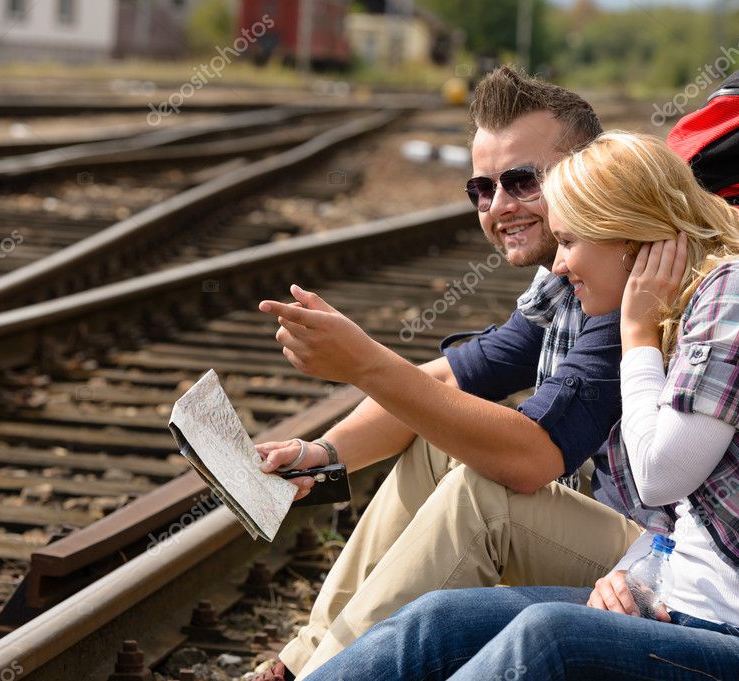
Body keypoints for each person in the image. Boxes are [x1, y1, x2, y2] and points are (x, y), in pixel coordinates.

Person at [301, 132, 739, 681]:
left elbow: (661, 475)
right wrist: (641, 570)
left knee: (545, 639)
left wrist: (636, 336)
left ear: (626, 236)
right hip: (676, 598)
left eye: (569, 241)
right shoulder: (675, 306)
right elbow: (681, 516)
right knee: (438, 620)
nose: (558, 264)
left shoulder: (737, 291)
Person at [250, 67, 642, 681]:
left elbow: (533, 459)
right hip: (609, 525)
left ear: (586, 170)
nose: (500, 206)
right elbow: (444, 385)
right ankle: (304, 662)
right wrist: (322, 453)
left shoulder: (625, 278)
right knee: (435, 437)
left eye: (521, 181)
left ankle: (331, 673)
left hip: (657, 559)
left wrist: (365, 361)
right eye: (483, 189)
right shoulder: (562, 280)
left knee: (486, 496)